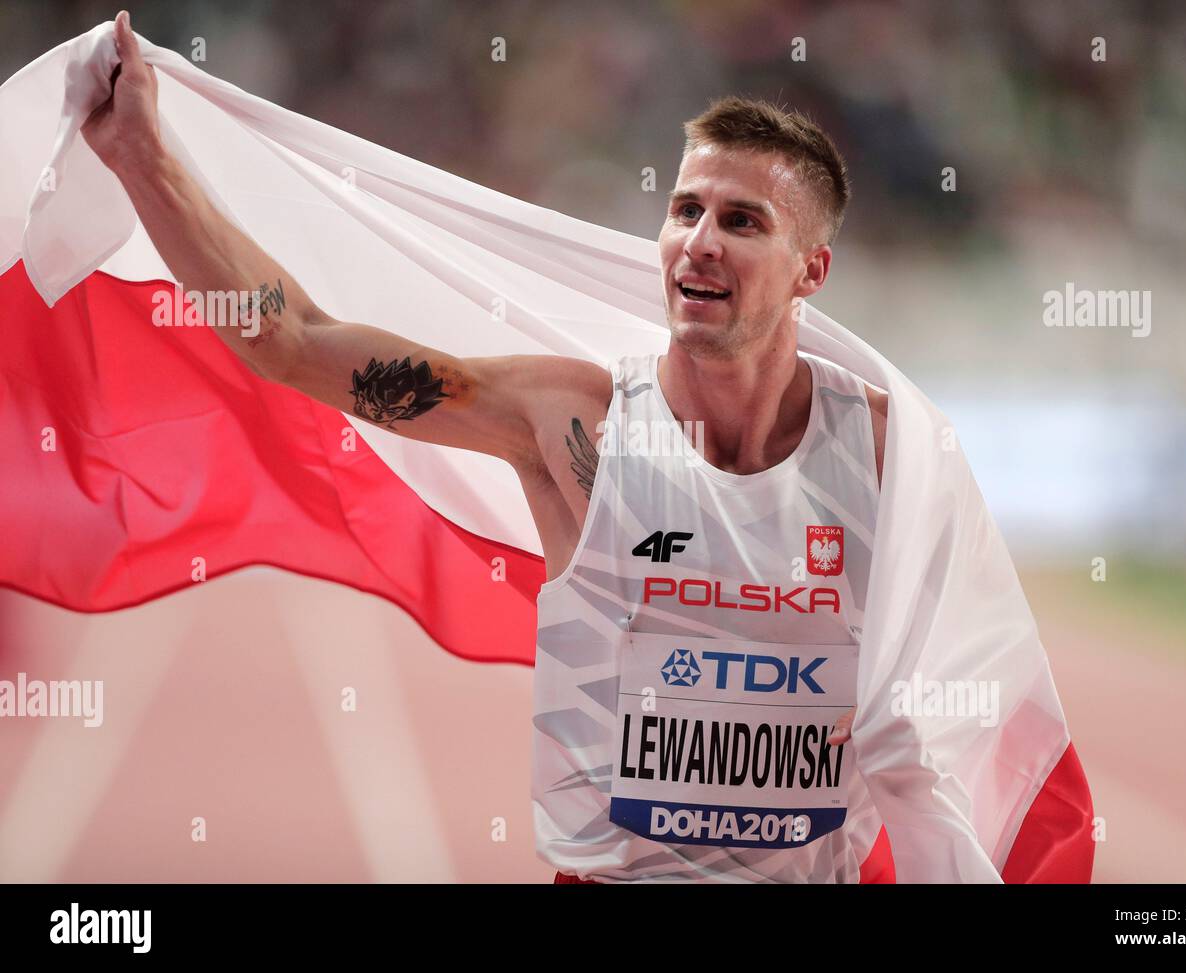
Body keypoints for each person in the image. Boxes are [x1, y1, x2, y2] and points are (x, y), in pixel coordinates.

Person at [84, 10, 890, 883]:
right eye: (684, 209)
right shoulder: (573, 420)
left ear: (812, 268)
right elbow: (291, 341)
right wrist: (144, 161)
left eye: (741, 220)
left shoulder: (882, 447)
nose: (698, 241)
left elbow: (957, 679)